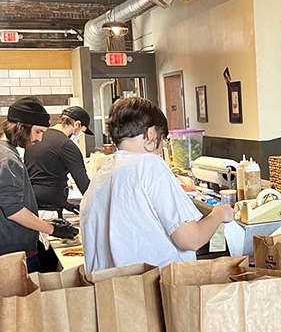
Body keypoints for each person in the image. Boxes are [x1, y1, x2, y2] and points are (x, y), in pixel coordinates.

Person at [80, 96, 234, 273]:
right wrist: (218, 214)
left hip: (112, 287)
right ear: (151, 134)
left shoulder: (102, 173)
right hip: (153, 286)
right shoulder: (149, 164)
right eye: (162, 140)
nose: (160, 150)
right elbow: (191, 238)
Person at [0, 96, 79, 272]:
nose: (40, 139)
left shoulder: (6, 152)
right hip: (13, 253)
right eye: (38, 132)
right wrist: (51, 229)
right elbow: (12, 210)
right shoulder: (8, 159)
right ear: (21, 126)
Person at [24, 105, 92, 212]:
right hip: (50, 207)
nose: (79, 134)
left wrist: (66, 204)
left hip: (30, 201)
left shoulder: (37, 136)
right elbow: (83, 184)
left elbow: (42, 174)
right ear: (77, 124)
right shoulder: (66, 145)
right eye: (81, 131)